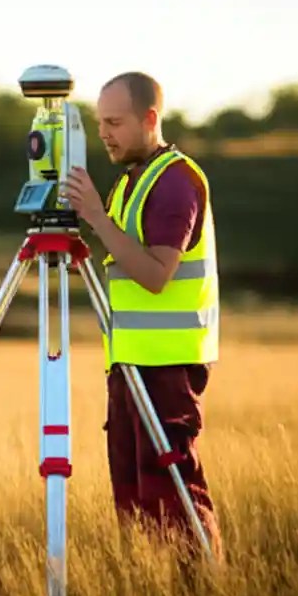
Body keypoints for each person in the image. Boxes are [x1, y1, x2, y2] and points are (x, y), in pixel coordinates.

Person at [61, 71, 223, 561]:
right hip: (130, 366)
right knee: (134, 502)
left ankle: (202, 589)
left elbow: (156, 274)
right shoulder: (130, 182)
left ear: (150, 118)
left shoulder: (176, 182)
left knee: (173, 497)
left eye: (114, 122)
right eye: (99, 123)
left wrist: (96, 217)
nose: (103, 134)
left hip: (167, 369)